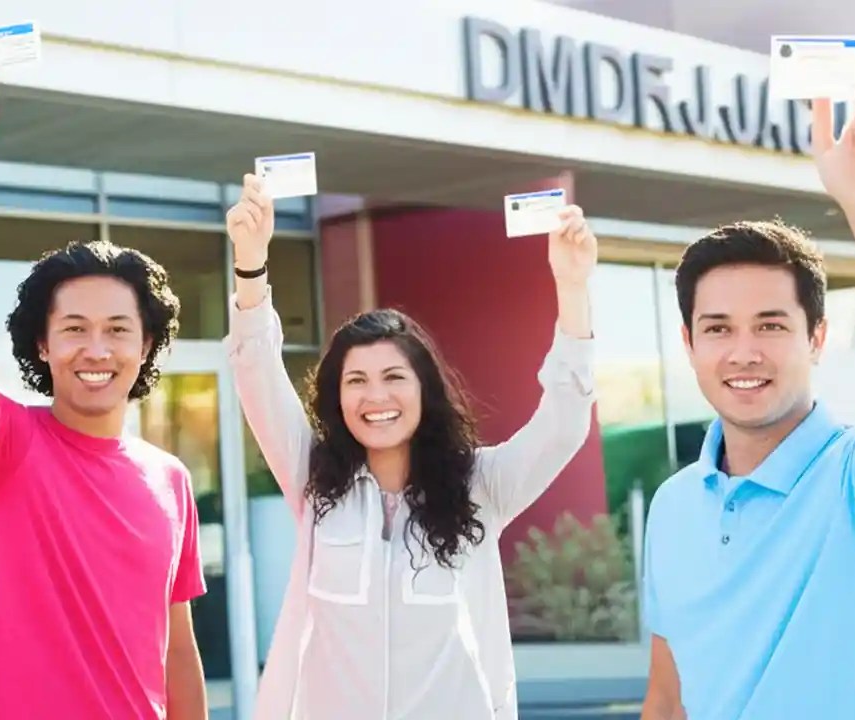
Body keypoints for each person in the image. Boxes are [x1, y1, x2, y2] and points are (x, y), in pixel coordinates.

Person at [640, 31, 855, 720]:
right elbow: (668, 700)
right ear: (689, 343)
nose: (743, 351)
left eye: (771, 326)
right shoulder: (672, 506)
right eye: (718, 329)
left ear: (817, 336)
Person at [224, 174, 599, 719]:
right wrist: (251, 265)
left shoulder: (481, 486)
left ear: (426, 389)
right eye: (356, 381)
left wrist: (572, 287)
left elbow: (565, 422)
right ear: (337, 397)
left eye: (394, 377)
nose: (376, 397)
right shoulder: (314, 479)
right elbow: (256, 369)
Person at [0, 44, 208, 719]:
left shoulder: (170, 480)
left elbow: (176, 652)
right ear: (43, 344)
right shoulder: (4, 447)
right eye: (74, 328)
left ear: (146, 346)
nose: (96, 348)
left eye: (117, 329)